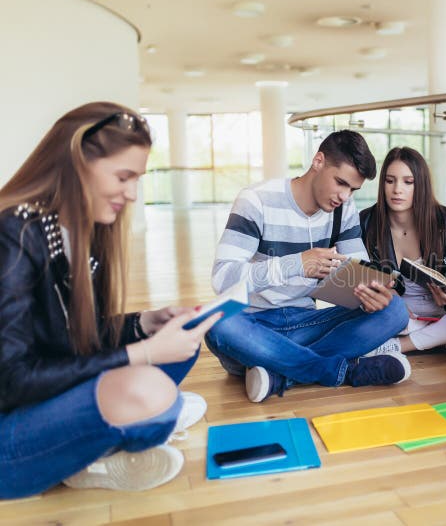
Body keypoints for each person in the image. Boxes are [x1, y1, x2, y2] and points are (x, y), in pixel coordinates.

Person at [0, 102, 220, 498]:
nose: (132, 194)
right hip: (10, 431)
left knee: (181, 340)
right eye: (123, 177)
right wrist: (142, 354)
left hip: (46, 398)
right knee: (150, 387)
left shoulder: (80, 231)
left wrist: (143, 324)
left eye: (137, 179)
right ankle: (130, 428)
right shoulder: (12, 234)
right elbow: (13, 381)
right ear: (77, 163)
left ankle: (127, 426)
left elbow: (71, 335)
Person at [204, 130, 410, 403]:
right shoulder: (256, 200)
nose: (344, 196)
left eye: (353, 189)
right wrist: (295, 264)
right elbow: (222, 278)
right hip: (254, 325)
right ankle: (344, 371)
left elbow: (360, 272)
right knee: (217, 322)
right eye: (341, 183)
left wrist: (372, 295)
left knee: (395, 310)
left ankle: (279, 373)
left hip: (306, 323)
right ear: (318, 161)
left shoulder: (343, 210)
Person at [359, 146, 446, 355]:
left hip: (444, 315)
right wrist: (386, 295)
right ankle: (442, 339)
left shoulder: (445, 220)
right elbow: (359, 281)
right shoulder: (367, 221)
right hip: (398, 317)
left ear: (421, 185)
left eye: (408, 182)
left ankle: (401, 346)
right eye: (390, 181)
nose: (397, 189)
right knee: (371, 318)